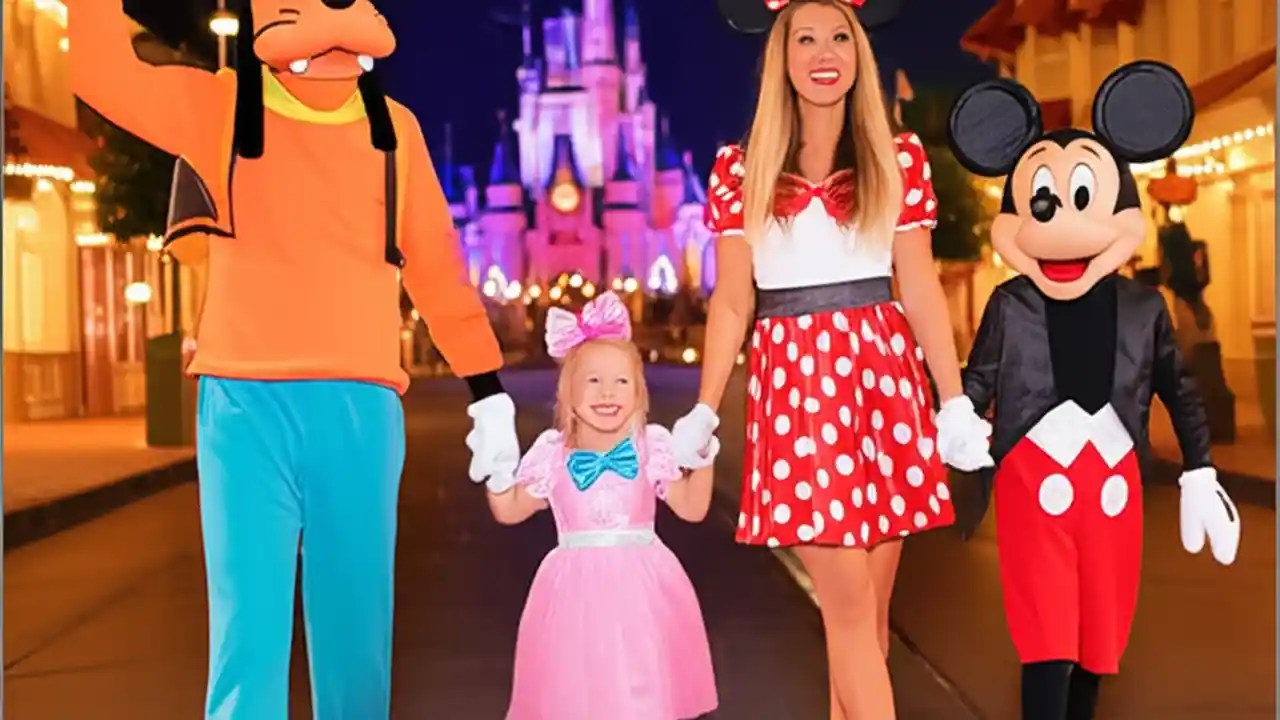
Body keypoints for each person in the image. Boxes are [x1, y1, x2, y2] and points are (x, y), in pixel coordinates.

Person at [68, 1, 520, 717]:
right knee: (247, 639)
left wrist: (486, 388)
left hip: (359, 407)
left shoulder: (392, 130)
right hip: (246, 404)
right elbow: (99, 73)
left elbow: (436, 266)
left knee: (355, 640)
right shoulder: (218, 108)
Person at [670, 1, 994, 718]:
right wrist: (702, 408)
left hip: (887, 381)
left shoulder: (896, 158)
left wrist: (953, 400)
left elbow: (919, 286)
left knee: (868, 626)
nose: (825, 51)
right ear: (780, 56)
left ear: (860, 51)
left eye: (840, 36)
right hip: (797, 387)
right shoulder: (741, 167)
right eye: (806, 37)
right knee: (847, 615)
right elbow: (732, 303)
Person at [948, 62, 1241, 720]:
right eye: (1041, 206)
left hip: (1113, 486)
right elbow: (980, 379)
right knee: (1047, 637)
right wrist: (957, 422)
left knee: (1098, 640)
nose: (1061, 227)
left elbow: (1178, 387)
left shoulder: (1144, 307)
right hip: (1033, 481)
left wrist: (1200, 471)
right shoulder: (1011, 304)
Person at [486, 291, 719, 720]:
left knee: (642, 696)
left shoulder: (652, 447)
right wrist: (496, 466)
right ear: (568, 392)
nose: (608, 392)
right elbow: (509, 509)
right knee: (578, 698)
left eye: (621, 382)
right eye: (593, 381)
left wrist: (700, 454)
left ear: (639, 392)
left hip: (644, 597)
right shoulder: (553, 455)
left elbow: (691, 507)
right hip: (573, 600)